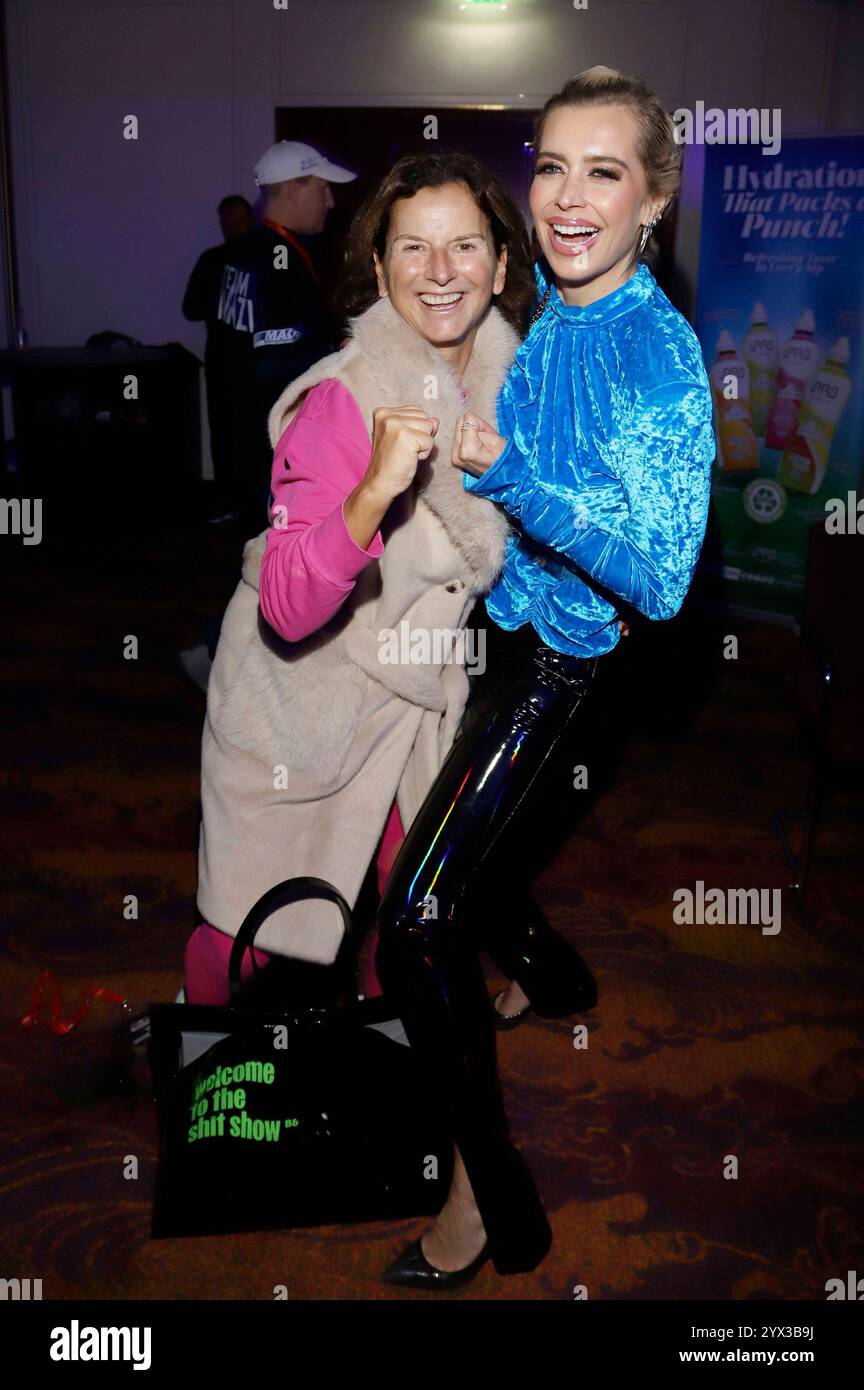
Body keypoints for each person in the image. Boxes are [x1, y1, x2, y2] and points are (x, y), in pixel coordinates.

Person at [373, 65, 717, 1290]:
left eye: (604, 171)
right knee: (486, 861)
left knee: (416, 915)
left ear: (654, 199)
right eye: (554, 165)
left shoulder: (659, 356)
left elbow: (664, 578)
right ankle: (557, 978)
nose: (568, 197)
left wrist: (512, 480)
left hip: (573, 670)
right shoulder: (568, 307)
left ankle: (493, 1209)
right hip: (517, 636)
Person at [185, 154, 537, 1054]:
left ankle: (395, 1091)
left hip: (418, 705)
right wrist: (374, 493)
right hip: (301, 701)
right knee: (248, 936)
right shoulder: (342, 402)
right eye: (412, 248)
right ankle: (216, 1098)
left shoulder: (517, 390)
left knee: (413, 925)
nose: (441, 268)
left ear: (501, 266)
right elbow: (289, 609)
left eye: (465, 244)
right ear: (380, 272)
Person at [214, 140, 357, 528]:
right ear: (295, 189)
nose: (330, 201)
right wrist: (339, 352)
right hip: (271, 439)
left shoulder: (244, 250)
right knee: (277, 556)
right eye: (322, 189)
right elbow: (273, 364)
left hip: (245, 431)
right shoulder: (278, 260)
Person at [182, 195, 254, 525]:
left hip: (254, 363)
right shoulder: (212, 260)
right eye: (227, 222)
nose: (232, 228)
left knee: (250, 433)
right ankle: (231, 501)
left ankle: (251, 502)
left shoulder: (262, 258)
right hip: (225, 362)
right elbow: (190, 309)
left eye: (238, 221)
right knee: (225, 433)